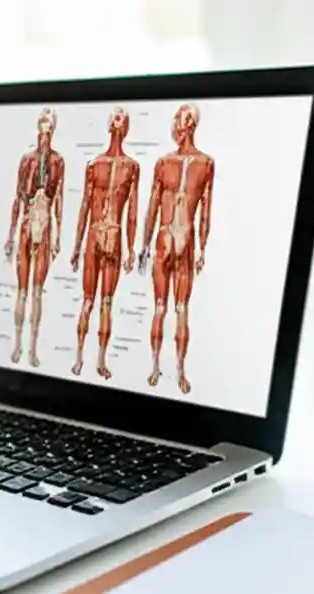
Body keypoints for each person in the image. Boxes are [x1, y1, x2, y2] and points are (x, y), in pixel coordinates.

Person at [138, 103, 214, 394]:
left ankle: (169, 369)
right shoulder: (194, 163)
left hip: (172, 236)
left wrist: (203, 248)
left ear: (187, 125)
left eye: (181, 121)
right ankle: (164, 368)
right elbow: (154, 206)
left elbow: (202, 210)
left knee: (170, 308)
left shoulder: (192, 163)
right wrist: (145, 244)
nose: (178, 126)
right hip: (178, 235)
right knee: (173, 308)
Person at [69, 107, 138, 380]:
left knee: (105, 301)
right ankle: (79, 358)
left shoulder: (132, 167)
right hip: (97, 233)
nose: (117, 120)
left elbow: (132, 210)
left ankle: (98, 360)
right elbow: (84, 206)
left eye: (122, 116)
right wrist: (76, 247)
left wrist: (132, 248)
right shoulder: (94, 164)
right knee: (89, 300)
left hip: (111, 233)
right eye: (115, 116)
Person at [3, 107, 64, 368]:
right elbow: (18, 197)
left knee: (37, 291)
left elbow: (59, 197)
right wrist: (10, 234)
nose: (45, 132)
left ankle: (33, 350)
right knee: (23, 290)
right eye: (43, 125)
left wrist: (59, 234)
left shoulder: (58, 162)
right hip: (28, 224)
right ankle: (18, 344)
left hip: (45, 226)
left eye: (49, 127)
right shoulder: (27, 160)